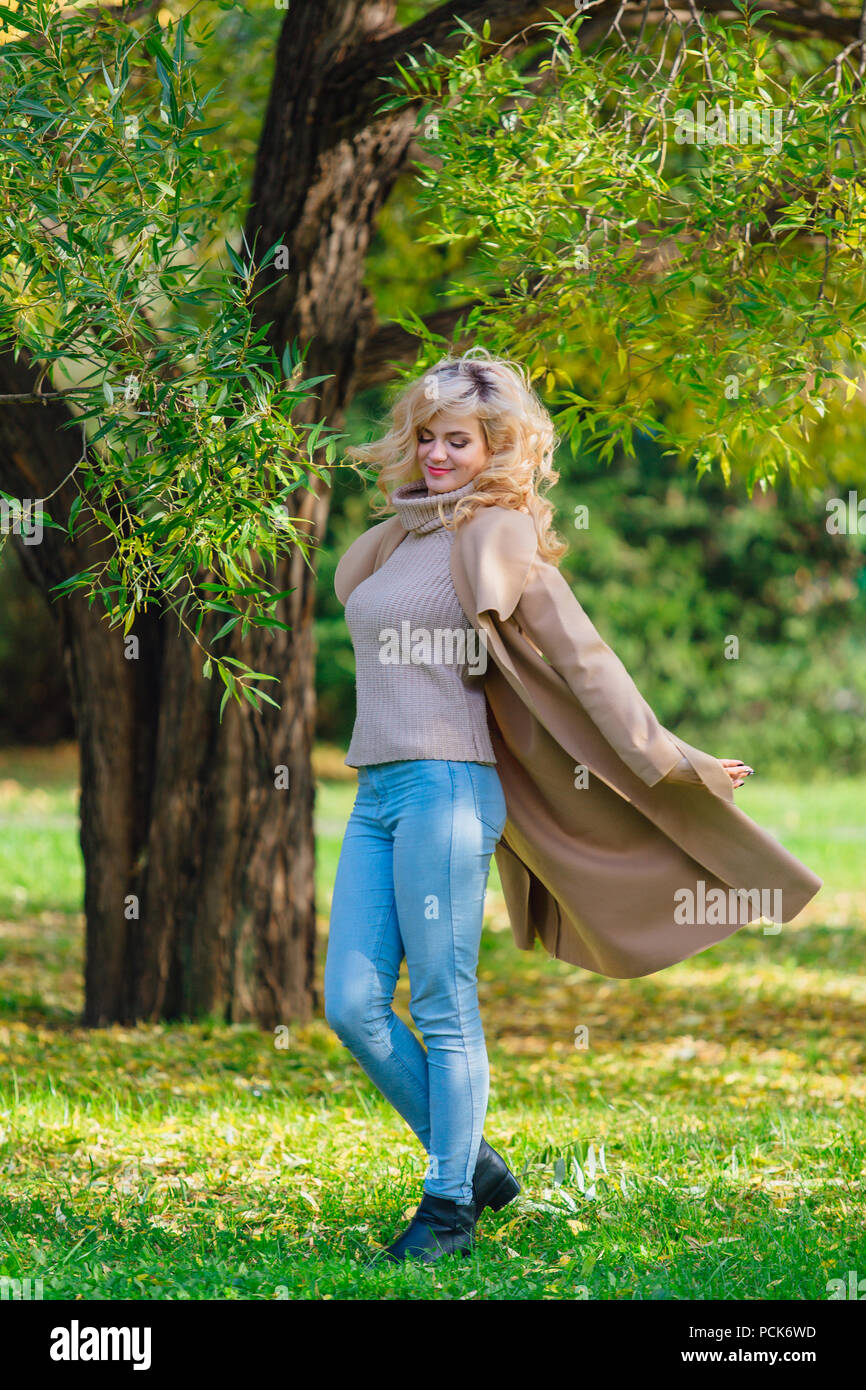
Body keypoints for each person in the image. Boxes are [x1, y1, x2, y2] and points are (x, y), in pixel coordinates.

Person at [325, 350, 755, 1264]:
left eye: (458, 441)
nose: (438, 454)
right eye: (427, 436)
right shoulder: (405, 536)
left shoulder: (501, 534)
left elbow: (586, 662)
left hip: (447, 788)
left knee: (443, 1002)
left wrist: (676, 760)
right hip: (378, 790)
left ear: (498, 447)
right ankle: (473, 1162)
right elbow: (350, 585)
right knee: (352, 1003)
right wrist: (418, 500)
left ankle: (447, 1210)